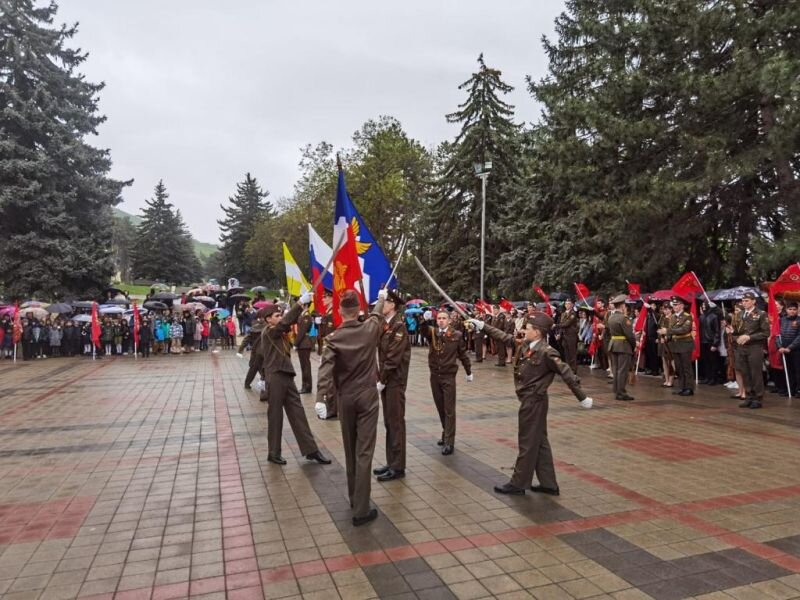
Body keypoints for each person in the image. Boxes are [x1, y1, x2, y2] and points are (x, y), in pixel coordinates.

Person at [469, 313, 592, 495]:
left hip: (534, 402)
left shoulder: (546, 351)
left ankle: (518, 483)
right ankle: (549, 484)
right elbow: (504, 337)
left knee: (527, 442)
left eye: (528, 327)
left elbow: (566, 373)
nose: (524, 330)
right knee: (539, 442)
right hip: (530, 400)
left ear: (537, 332)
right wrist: (482, 325)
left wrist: (582, 397)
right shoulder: (526, 344)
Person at [317, 289, 386, 526]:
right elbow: (377, 315)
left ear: (339, 312)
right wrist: (382, 297)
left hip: (345, 398)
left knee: (350, 450)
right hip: (367, 397)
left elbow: (325, 368)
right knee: (364, 452)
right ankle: (362, 509)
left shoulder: (333, 338)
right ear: (359, 311)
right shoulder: (369, 329)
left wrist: (320, 397)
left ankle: (354, 498)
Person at [260, 297, 330, 466]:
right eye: (276, 315)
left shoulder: (278, 332)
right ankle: (273, 452)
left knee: (298, 413)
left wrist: (304, 306)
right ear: (268, 319)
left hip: (286, 375)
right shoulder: (270, 331)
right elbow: (285, 323)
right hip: (276, 376)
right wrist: (298, 305)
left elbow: (287, 324)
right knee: (275, 416)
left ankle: (311, 450)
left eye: (279, 314)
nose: (279, 317)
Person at [421, 309, 472, 455]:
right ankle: (445, 432)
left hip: (448, 376)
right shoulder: (433, 333)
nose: (441, 321)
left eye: (444, 318)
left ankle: (450, 442)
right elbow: (424, 331)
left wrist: (469, 372)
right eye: (439, 319)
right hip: (434, 376)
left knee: (449, 409)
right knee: (440, 407)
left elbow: (463, 355)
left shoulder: (457, 335)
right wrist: (424, 321)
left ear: (449, 320)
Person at [373, 289, 411, 482]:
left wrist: (382, 380)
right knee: (389, 422)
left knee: (396, 423)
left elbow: (393, 359)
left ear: (393, 305)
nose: (382, 305)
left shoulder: (399, 327)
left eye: (385, 302)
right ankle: (391, 461)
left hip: (394, 382)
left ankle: (398, 467)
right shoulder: (385, 325)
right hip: (387, 381)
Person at [727, 291, 770, 408]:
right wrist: (736, 338)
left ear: (753, 301)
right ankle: (749, 396)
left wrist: (750, 337)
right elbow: (735, 332)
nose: (744, 303)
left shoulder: (761, 314)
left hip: (755, 347)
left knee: (755, 373)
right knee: (745, 372)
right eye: (743, 301)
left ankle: (758, 398)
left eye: (747, 301)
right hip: (742, 347)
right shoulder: (739, 315)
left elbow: (766, 332)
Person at [659, 296, 695, 396]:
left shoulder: (687, 316)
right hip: (675, 345)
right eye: (673, 305)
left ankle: (689, 388)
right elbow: (671, 330)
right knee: (679, 367)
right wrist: (666, 336)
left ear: (682, 305)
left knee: (686, 367)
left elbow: (684, 329)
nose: (674, 306)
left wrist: (668, 331)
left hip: (685, 344)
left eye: (676, 304)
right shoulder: (673, 317)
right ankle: (682, 387)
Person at [607, 295, 635, 401]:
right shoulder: (623, 318)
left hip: (613, 344)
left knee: (615, 369)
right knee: (622, 370)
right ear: (622, 305)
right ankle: (621, 392)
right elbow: (629, 335)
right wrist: (633, 345)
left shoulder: (611, 317)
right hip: (623, 345)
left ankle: (616, 390)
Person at [778, 301, 800, 397]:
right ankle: (790, 389)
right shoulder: (781, 320)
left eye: (794, 309)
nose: (792, 311)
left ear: (797, 310)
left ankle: (798, 390)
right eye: (790, 309)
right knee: (788, 370)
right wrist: (780, 346)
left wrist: (790, 347)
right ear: (786, 310)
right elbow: (777, 335)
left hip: (796, 349)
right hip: (783, 348)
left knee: (798, 370)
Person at [237, 317, 264, 389]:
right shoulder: (268, 327)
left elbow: (246, 340)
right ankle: (264, 383)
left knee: (253, 369)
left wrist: (240, 350)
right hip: (265, 352)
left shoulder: (252, 329)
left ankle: (247, 384)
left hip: (255, 352)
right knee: (262, 368)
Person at [294, 305, 315, 393]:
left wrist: (296, 343)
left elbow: (302, 331)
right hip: (303, 343)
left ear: (305, 305)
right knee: (304, 366)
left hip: (304, 343)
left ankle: (307, 386)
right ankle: (305, 385)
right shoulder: (302, 315)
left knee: (305, 366)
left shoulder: (306, 316)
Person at [559, 298, 579, 373]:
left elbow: (567, 323)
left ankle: (573, 369)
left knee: (572, 353)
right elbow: (562, 324)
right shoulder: (563, 314)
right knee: (566, 353)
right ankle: (568, 368)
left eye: (569, 303)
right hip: (564, 335)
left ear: (572, 305)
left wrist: (556, 325)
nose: (567, 305)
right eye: (566, 303)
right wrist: (559, 334)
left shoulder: (573, 313)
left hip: (571, 335)